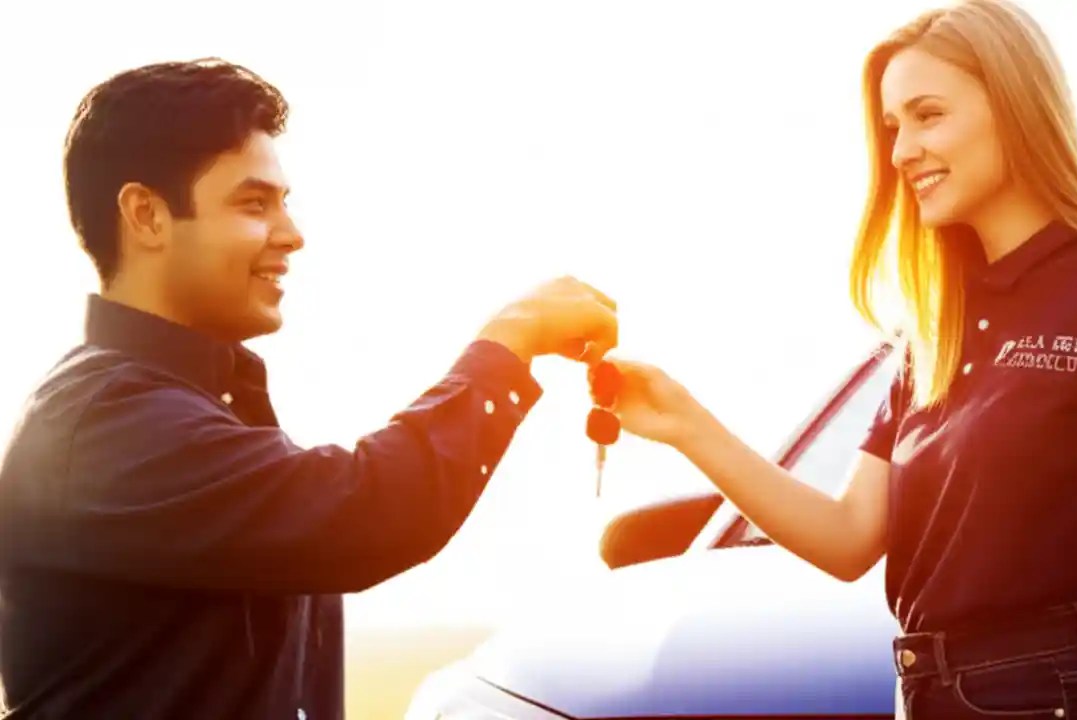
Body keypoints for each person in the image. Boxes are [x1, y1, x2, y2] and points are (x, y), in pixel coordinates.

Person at [601, 1, 1077, 718]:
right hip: (923, 694)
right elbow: (849, 538)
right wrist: (684, 424)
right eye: (894, 127)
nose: (899, 153)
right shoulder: (934, 327)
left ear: (1017, 106)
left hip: (1049, 695)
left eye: (928, 116)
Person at [0, 59, 616, 718]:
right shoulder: (102, 425)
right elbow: (361, 512)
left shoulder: (199, 410)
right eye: (253, 203)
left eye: (283, 203)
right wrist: (510, 342)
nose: (291, 235)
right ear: (146, 215)